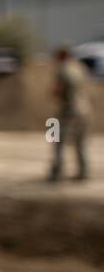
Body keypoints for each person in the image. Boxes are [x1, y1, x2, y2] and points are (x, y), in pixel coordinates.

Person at [49, 45, 91, 181]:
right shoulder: (79, 68)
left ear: (61, 56)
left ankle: (57, 172)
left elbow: (56, 90)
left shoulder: (62, 70)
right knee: (80, 142)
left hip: (68, 110)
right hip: (85, 109)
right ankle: (83, 172)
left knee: (56, 138)